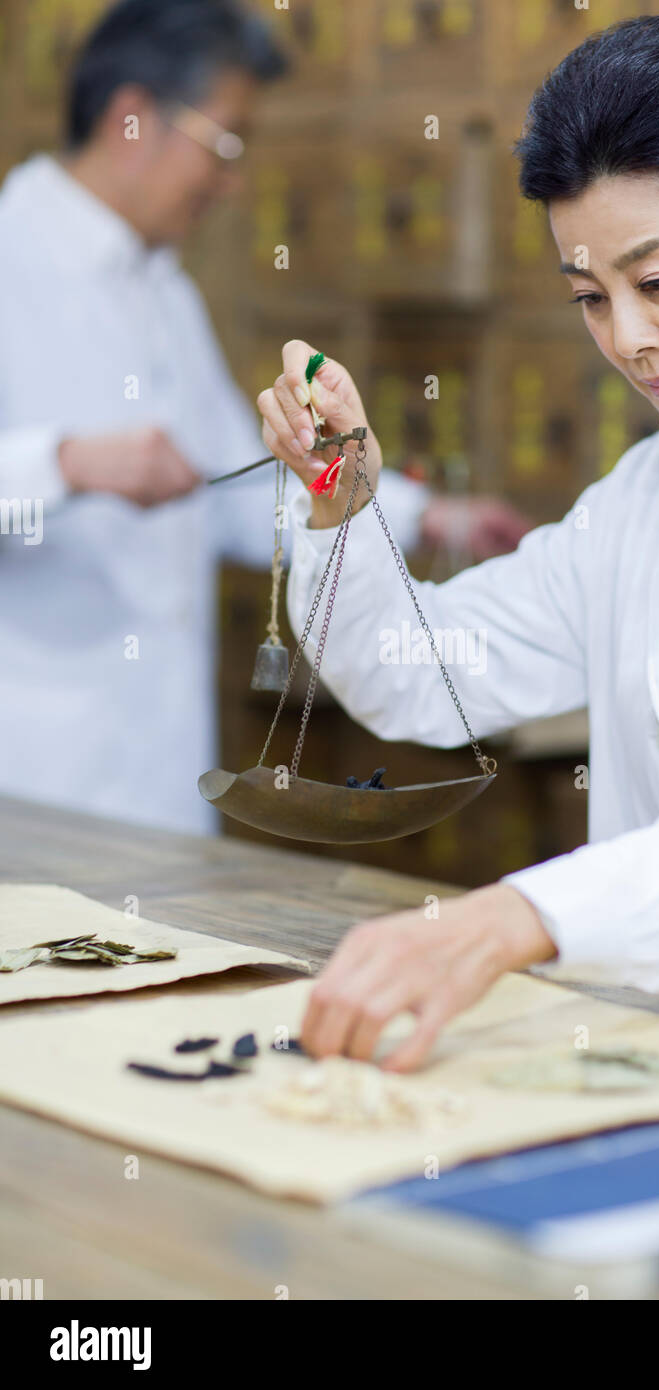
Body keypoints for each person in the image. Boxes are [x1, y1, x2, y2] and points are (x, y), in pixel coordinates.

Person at [257, 14, 659, 1070]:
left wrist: (513, 918)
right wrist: (340, 503)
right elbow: (421, 682)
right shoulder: (646, 493)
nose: (626, 338)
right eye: (590, 297)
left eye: (658, 280)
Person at [0, 0, 528, 834]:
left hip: (157, 766)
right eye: (225, 144)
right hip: (32, 770)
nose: (232, 182)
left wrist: (428, 516)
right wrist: (62, 464)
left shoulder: (161, 287)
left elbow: (232, 488)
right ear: (133, 119)